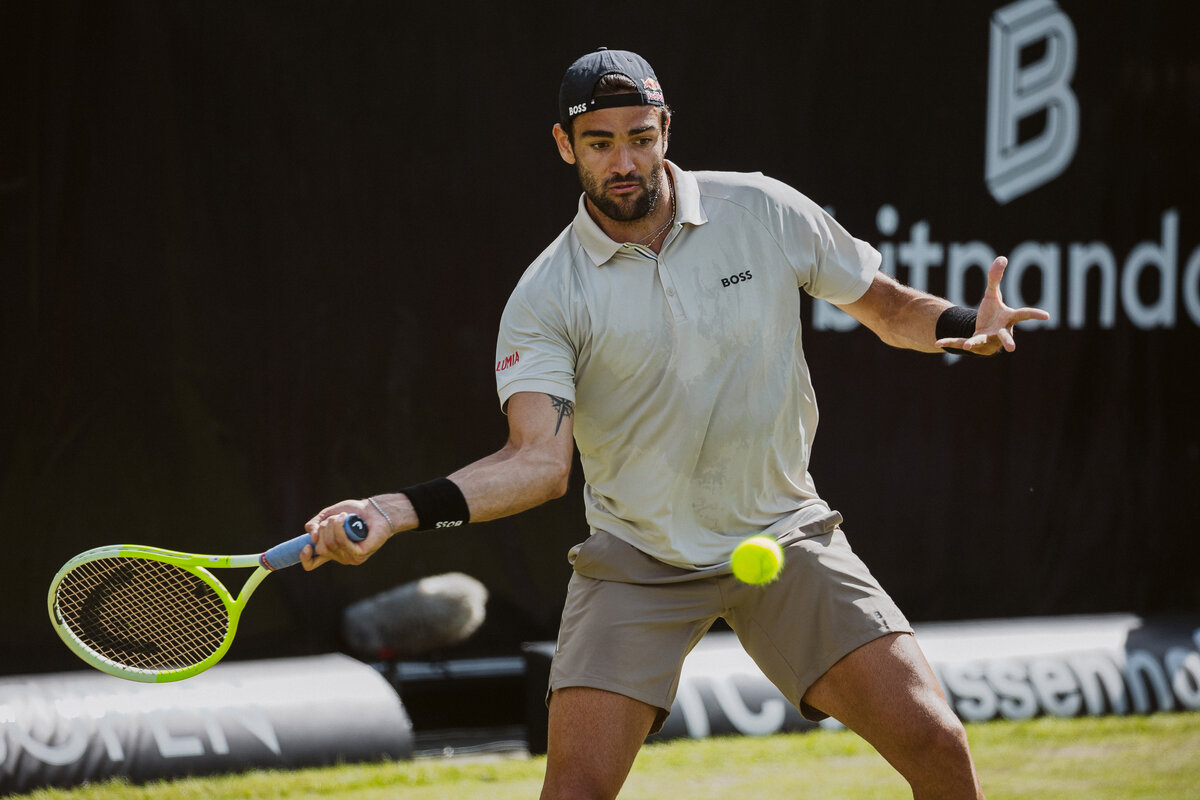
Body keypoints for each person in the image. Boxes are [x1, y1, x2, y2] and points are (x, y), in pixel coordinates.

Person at [302, 48, 1049, 799]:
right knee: (573, 794)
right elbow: (537, 463)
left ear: (666, 129)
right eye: (600, 143)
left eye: (640, 137)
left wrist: (964, 324)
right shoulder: (546, 295)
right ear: (564, 145)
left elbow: (886, 308)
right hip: (638, 556)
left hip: (784, 533)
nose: (624, 161)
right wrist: (392, 511)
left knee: (938, 743)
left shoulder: (761, 209)